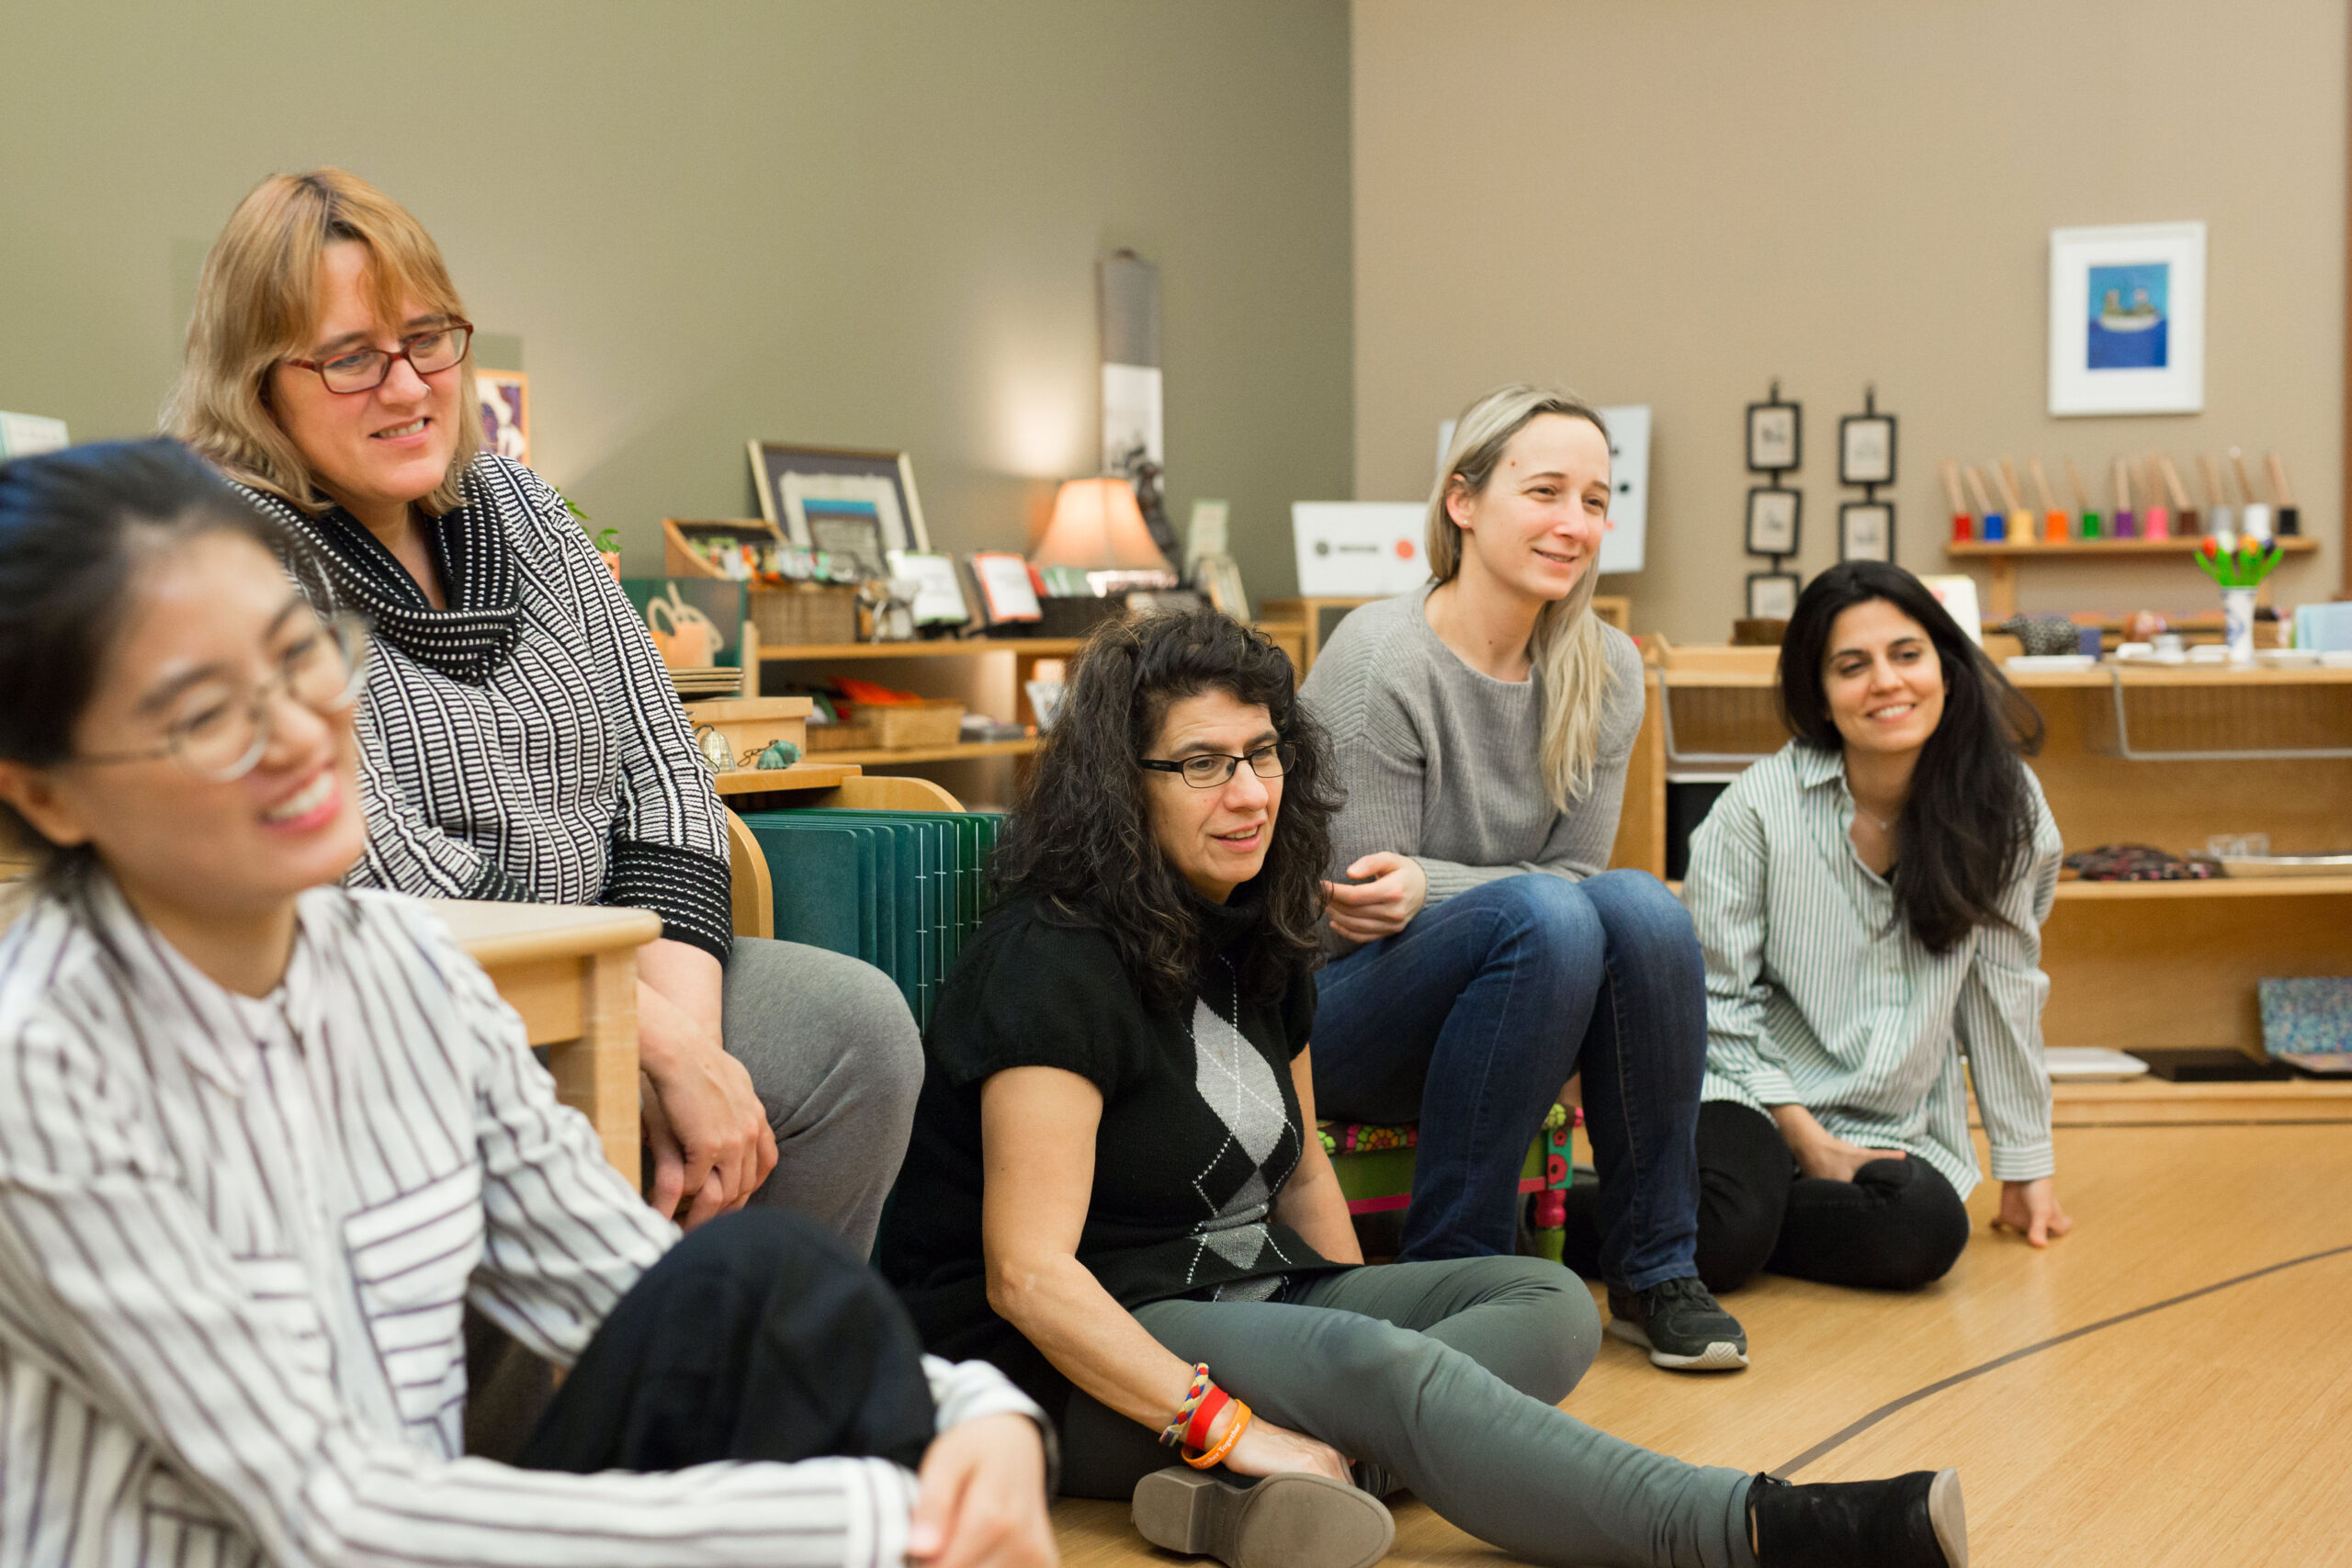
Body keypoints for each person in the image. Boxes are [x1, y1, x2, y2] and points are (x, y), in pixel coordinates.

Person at [0, 441, 1055, 1568]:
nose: (303, 733)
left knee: (762, 1280)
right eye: (208, 715)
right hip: (339, 1536)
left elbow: (614, 1277)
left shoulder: (407, 969)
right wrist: (881, 1519)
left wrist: (974, 1414)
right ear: (44, 792)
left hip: (415, 1528)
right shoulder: (42, 1072)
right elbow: (337, 1513)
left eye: (301, 655)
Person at [878, 609, 1972, 1568]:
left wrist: (1356, 1315)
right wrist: (1236, 1426)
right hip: (1072, 1358)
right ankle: (1750, 1528)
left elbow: (1301, 1161)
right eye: (1203, 764)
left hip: (1236, 1295)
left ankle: (1262, 1498)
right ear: (1124, 785)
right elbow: (1027, 1278)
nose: (1251, 792)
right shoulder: (1050, 958)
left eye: (1264, 754)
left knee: (1546, 1307)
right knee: (1380, 1369)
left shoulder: (1251, 924)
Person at [164, 168, 920, 1250]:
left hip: (627, 978)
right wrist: (641, 1047)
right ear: (256, 385)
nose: (408, 384)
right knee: (553, 1127)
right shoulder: (217, 552)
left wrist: (686, 1051)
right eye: (349, 358)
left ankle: (747, 1386)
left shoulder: (517, 502)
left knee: (855, 1033)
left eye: (430, 338)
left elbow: (665, 781)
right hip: (406, 1006)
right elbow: (367, 869)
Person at [1297, 385, 1744, 1371]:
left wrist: (1441, 886)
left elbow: (1579, 877)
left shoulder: (1606, 669)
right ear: (1462, 501)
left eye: (1594, 499)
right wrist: (1471, 894)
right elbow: (1352, 901)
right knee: (1551, 910)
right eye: (1545, 491)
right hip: (1338, 1012)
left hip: (1523, 988)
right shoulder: (1379, 658)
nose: (1573, 523)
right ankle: (1452, 1272)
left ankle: (1654, 1268)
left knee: (1640, 907)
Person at [1680, 561, 2071, 1292]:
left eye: (1907, 654)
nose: (1887, 682)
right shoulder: (1754, 809)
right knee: (1728, 1231)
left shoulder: (2006, 806)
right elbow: (1716, 1006)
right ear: (1822, 698)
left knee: (1923, 1229)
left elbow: (2003, 991)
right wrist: (1809, 1142)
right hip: (1750, 1095)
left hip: (1891, 1120)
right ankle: (1620, 1217)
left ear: (1947, 671)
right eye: (1852, 666)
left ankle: (1703, 1219)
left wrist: (2026, 1165)